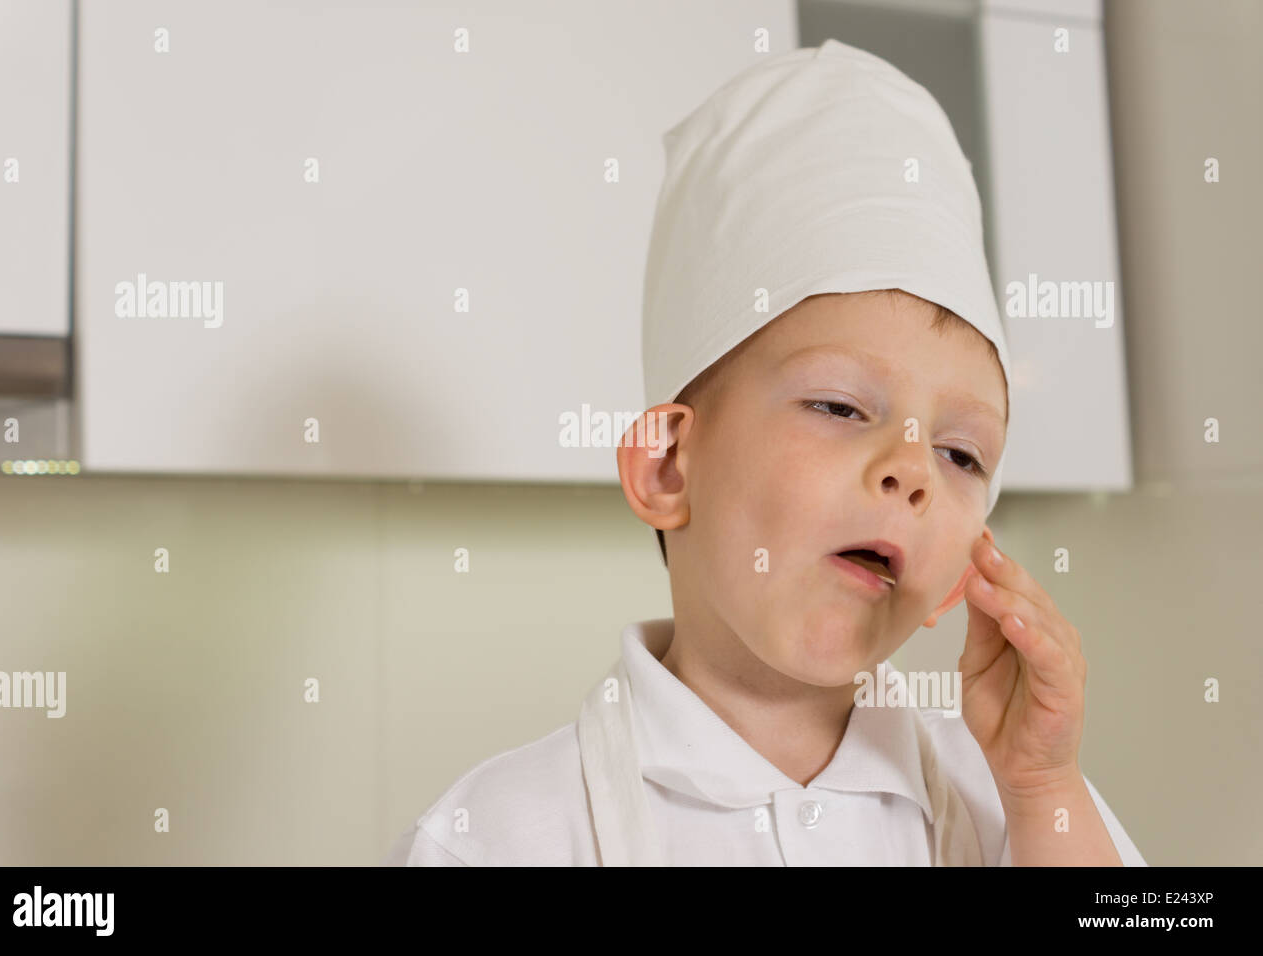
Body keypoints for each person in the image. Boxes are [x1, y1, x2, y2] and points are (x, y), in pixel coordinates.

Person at [383, 38, 1146, 866]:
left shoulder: (1020, 801)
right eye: (841, 406)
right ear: (670, 464)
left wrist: (1043, 788)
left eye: (963, 455)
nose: (915, 470)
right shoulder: (498, 836)